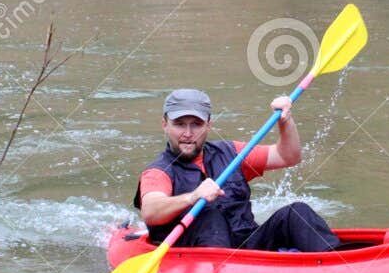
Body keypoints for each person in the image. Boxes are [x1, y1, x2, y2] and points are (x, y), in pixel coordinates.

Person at [132, 87, 340, 252]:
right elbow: (151, 211)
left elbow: (289, 156)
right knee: (209, 215)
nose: (188, 133)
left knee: (296, 212)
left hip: (247, 247)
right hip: (200, 256)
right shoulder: (158, 171)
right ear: (164, 125)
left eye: (196, 124)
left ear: (208, 125)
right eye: (179, 124)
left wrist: (286, 121)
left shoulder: (233, 153)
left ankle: (339, 267)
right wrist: (193, 196)